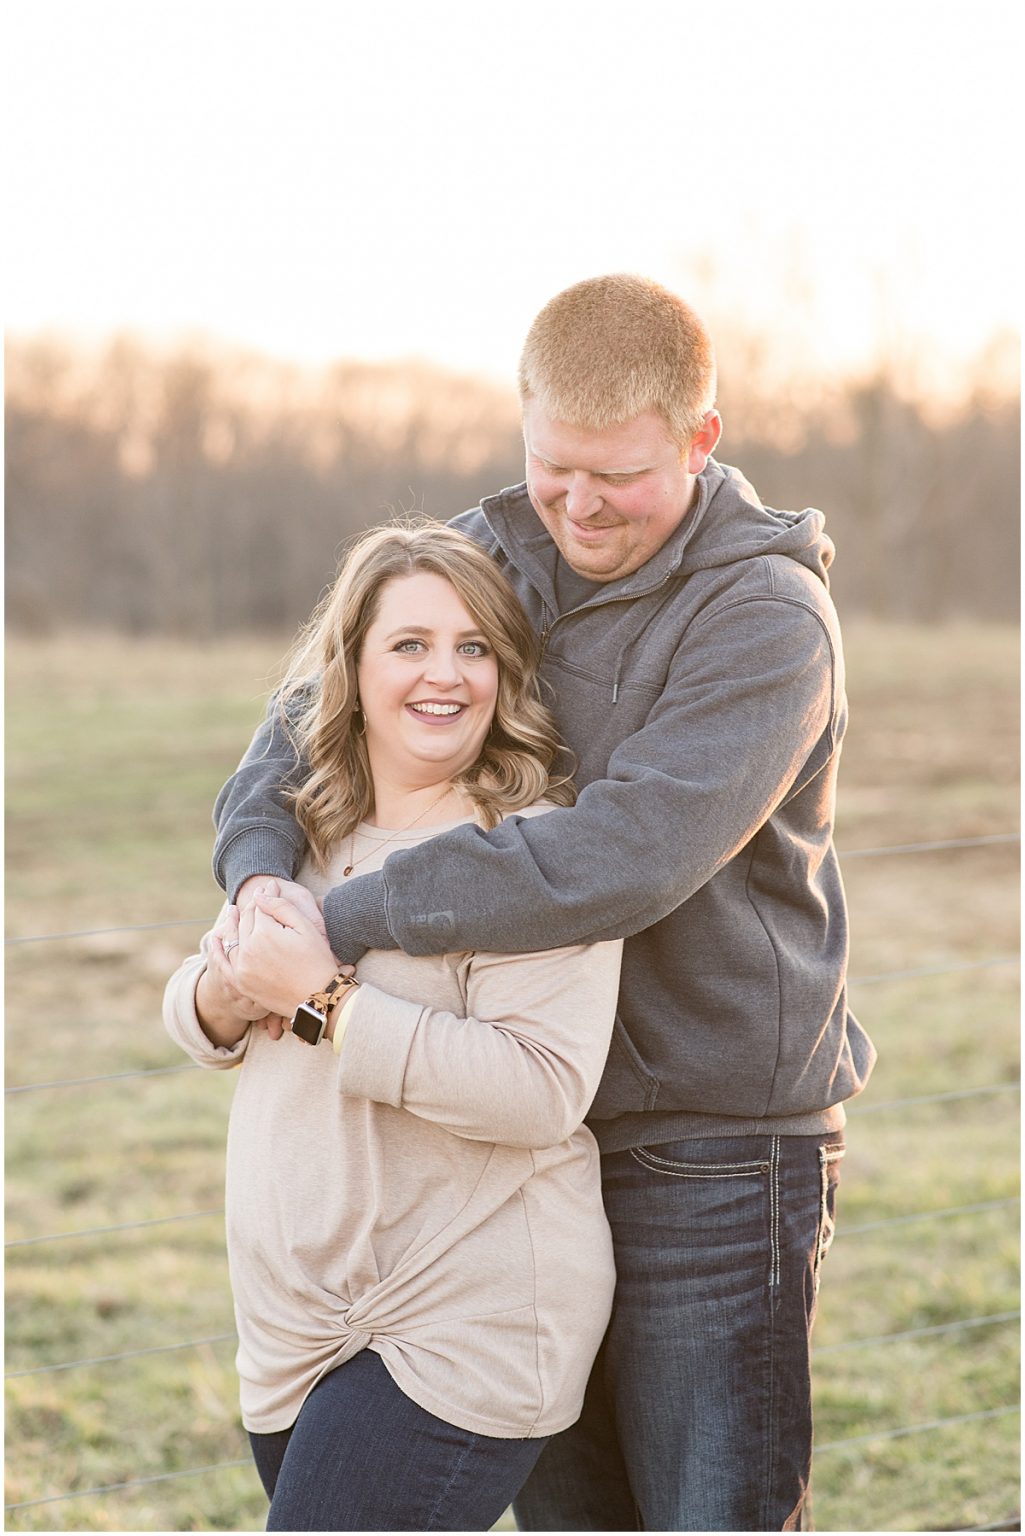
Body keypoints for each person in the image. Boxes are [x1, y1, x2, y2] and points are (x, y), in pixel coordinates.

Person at [211, 274, 878, 1532]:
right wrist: (260, 900)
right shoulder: (493, 551)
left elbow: (618, 856)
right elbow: (292, 736)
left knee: (708, 1518)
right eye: (548, 464)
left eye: (613, 476)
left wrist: (336, 934)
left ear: (698, 441)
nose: (574, 504)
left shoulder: (765, 617)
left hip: (713, 1146)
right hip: (524, 1160)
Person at [163, 521, 623, 1532]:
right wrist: (228, 992)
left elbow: (540, 1089)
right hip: (293, 1327)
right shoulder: (302, 832)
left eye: (473, 648)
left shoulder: (535, 851)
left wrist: (323, 1006)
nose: (444, 675)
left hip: (457, 1322)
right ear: (353, 667)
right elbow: (199, 1004)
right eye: (408, 644)